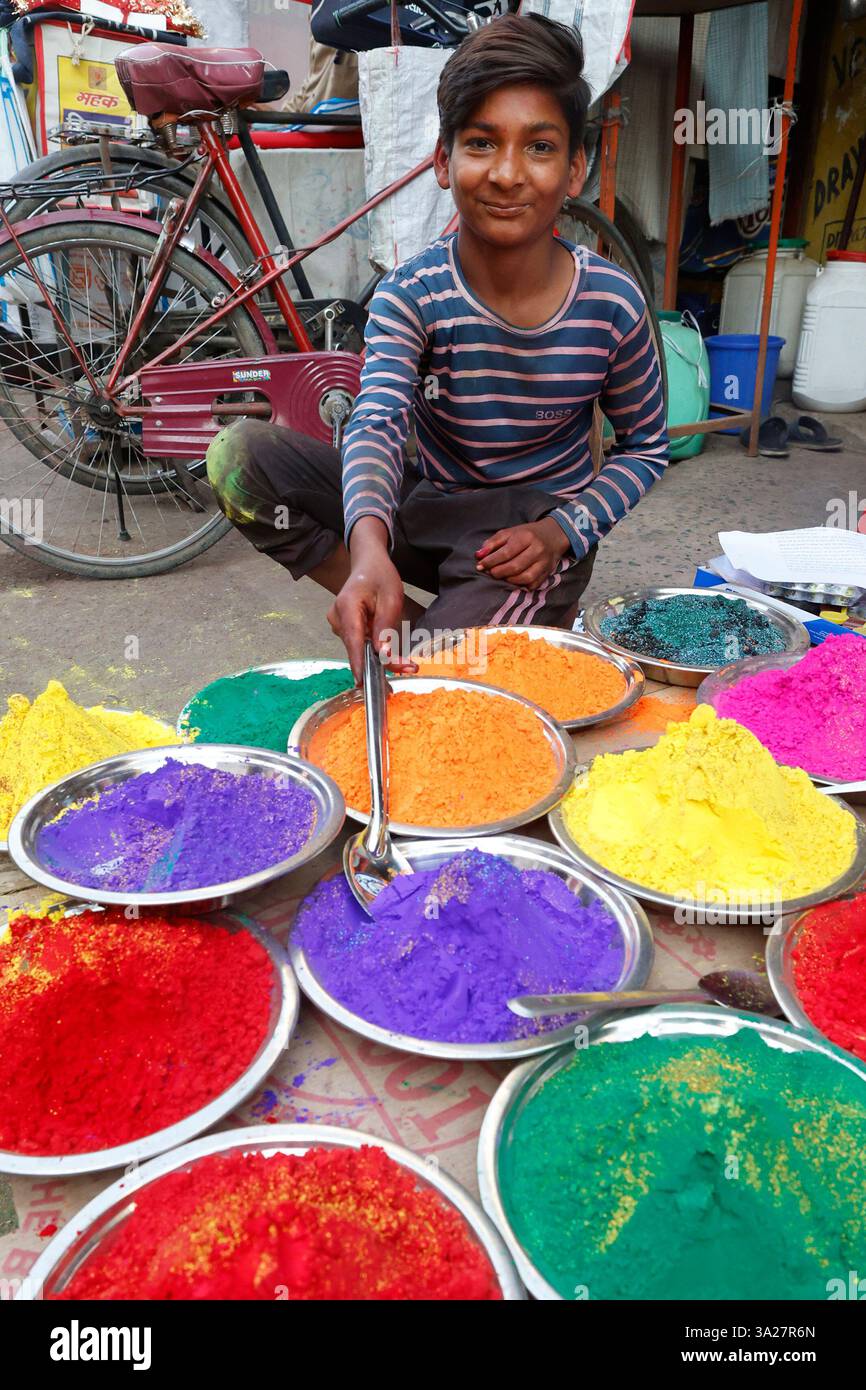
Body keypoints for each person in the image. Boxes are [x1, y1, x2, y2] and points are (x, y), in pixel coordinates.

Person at [206, 13, 668, 678]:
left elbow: (647, 445)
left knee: (427, 691)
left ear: (575, 171)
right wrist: (369, 553)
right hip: (429, 510)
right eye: (482, 143)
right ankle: (412, 614)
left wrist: (564, 531)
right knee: (239, 456)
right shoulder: (411, 294)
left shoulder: (611, 304)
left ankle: (478, 633)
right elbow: (379, 423)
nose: (508, 173)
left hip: (528, 540)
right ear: (443, 163)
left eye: (539, 148)